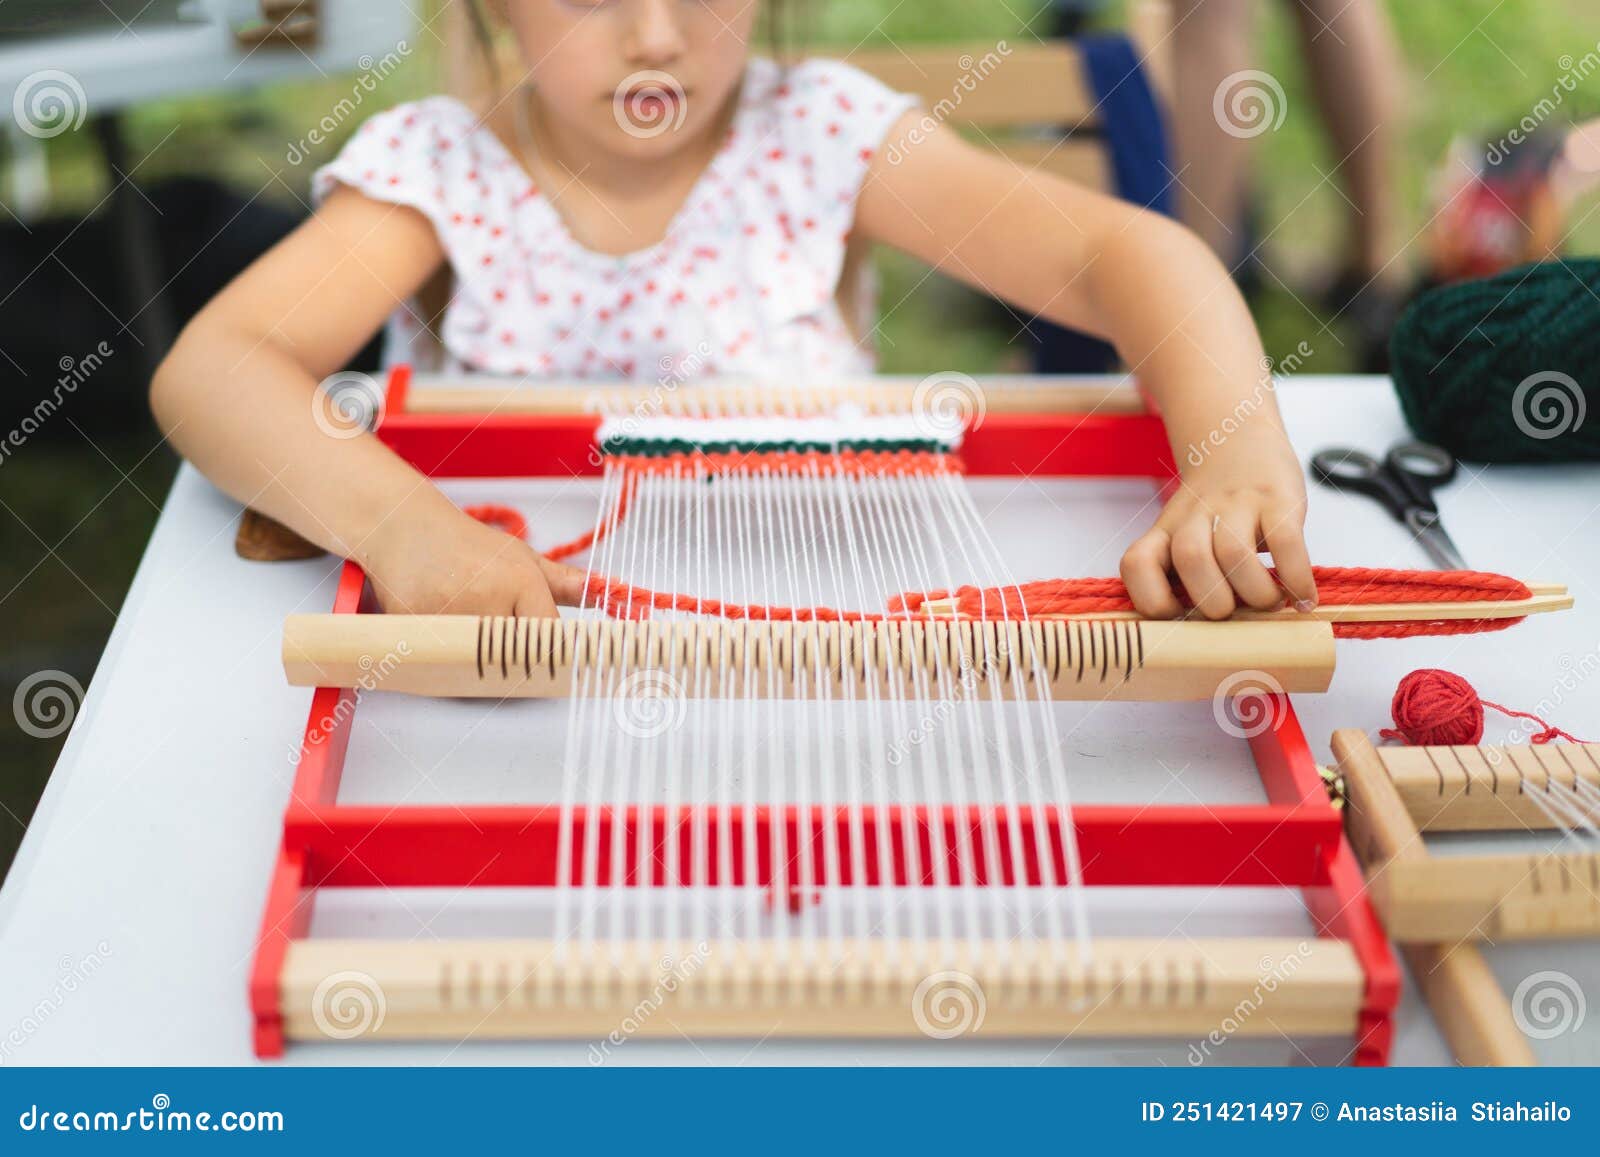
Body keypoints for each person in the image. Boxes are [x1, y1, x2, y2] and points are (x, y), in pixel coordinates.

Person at [150, 0, 1316, 622]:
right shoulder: (443, 169)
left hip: (836, 654)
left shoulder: (817, 135)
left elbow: (1127, 255)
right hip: (524, 663)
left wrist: (1233, 448)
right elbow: (214, 367)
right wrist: (406, 529)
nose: (656, 32)